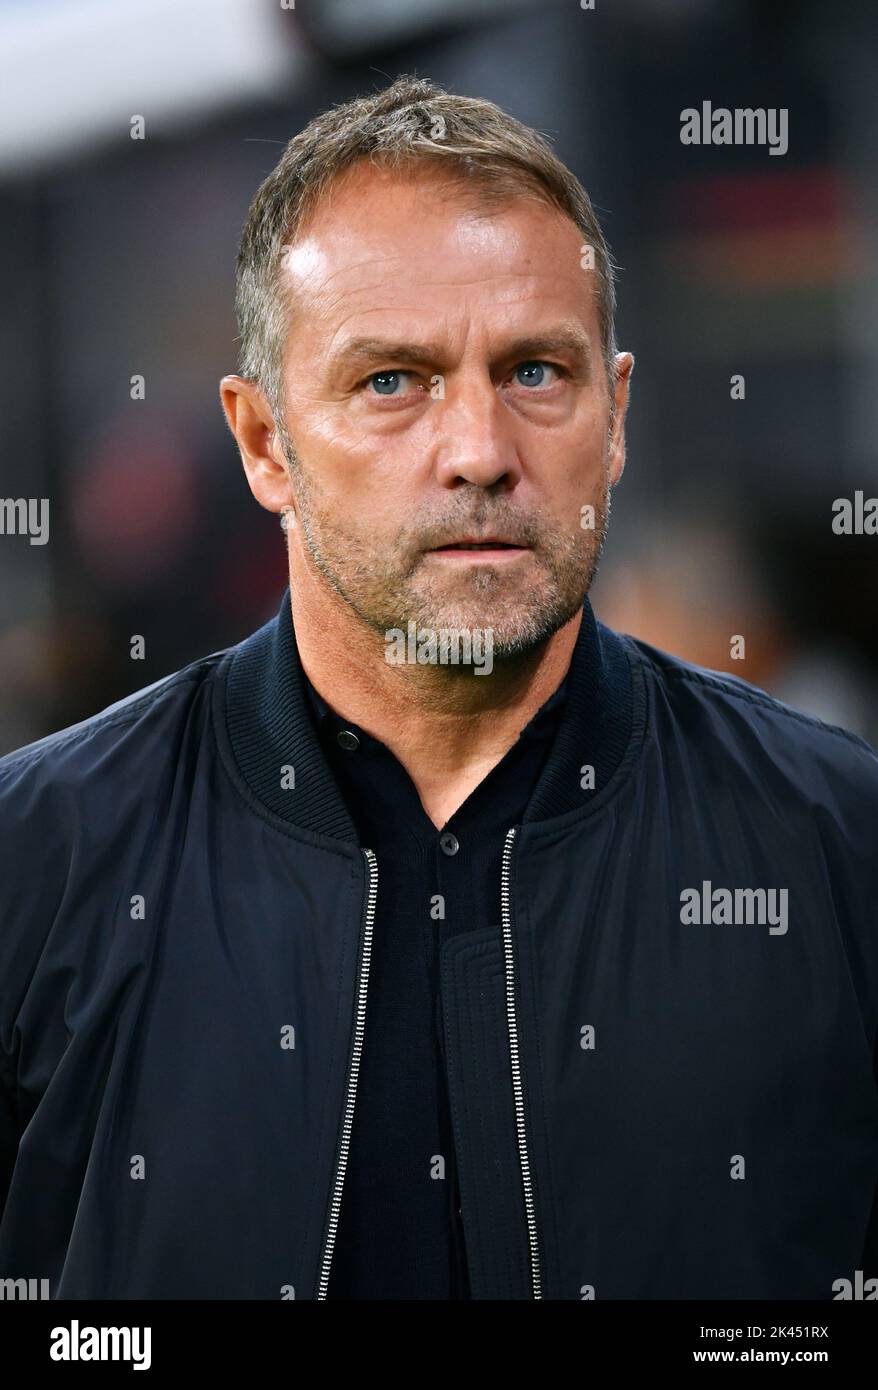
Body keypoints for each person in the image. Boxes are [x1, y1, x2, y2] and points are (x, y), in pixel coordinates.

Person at [1, 75, 876, 1301]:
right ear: (264, 445)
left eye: (532, 372)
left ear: (613, 415)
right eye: (390, 382)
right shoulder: (37, 861)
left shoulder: (839, 846)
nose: (477, 452)